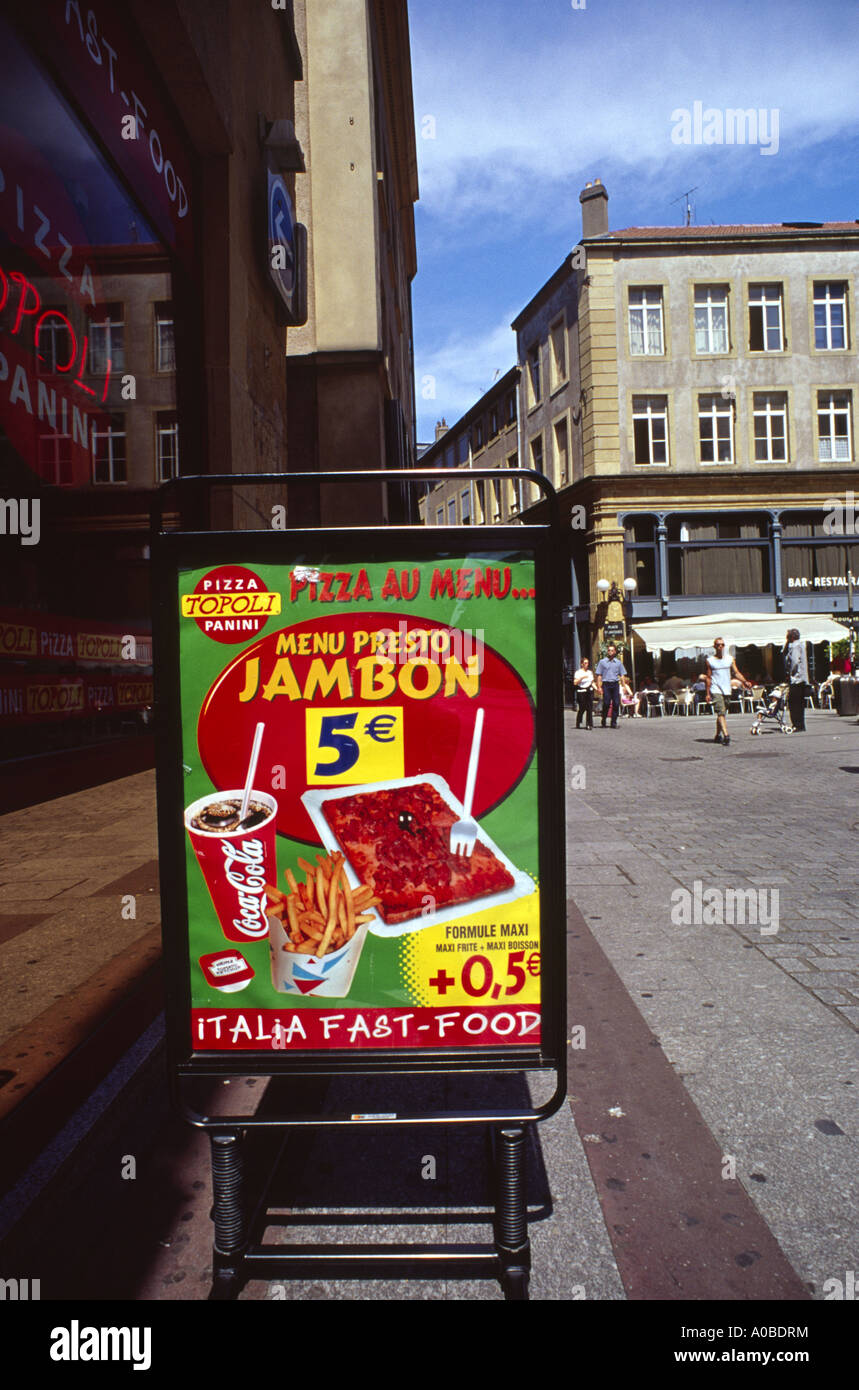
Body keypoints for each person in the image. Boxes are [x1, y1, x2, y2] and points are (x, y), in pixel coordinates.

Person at [704, 636, 752, 746]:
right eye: (718, 645)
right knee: (720, 711)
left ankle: (717, 734)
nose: (720, 646)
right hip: (715, 689)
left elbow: (736, 672)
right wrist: (707, 693)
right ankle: (726, 735)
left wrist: (745, 681)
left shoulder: (730, 659)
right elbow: (708, 677)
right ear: (714, 647)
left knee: (722, 713)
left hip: (727, 689)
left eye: (722, 644)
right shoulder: (710, 661)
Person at [783, 628, 809, 732]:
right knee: (800, 703)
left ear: (792, 637)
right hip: (801, 679)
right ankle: (800, 724)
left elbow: (794, 661)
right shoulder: (801, 645)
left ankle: (797, 724)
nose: (786, 638)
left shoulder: (795, 646)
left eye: (788, 636)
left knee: (794, 703)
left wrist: (790, 672)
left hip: (796, 679)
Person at [596, 642, 627, 728]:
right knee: (606, 703)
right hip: (606, 684)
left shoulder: (618, 663)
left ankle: (614, 722)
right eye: (609, 650)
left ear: (615, 652)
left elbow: (622, 675)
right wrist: (599, 687)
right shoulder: (602, 662)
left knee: (616, 703)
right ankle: (604, 719)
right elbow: (599, 675)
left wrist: (624, 686)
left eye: (612, 650)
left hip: (615, 684)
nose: (610, 652)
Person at [573, 656, 595, 730]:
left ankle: (589, 724)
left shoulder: (590, 672)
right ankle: (578, 721)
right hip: (581, 691)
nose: (586, 664)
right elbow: (575, 683)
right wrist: (582, 678)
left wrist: (598, 689)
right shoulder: (578, 672)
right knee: (582, 707)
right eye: (585, 663)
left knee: (589, 708)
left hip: (589, 690)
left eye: (587, 663)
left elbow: (592, 682)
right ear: (581, 664)